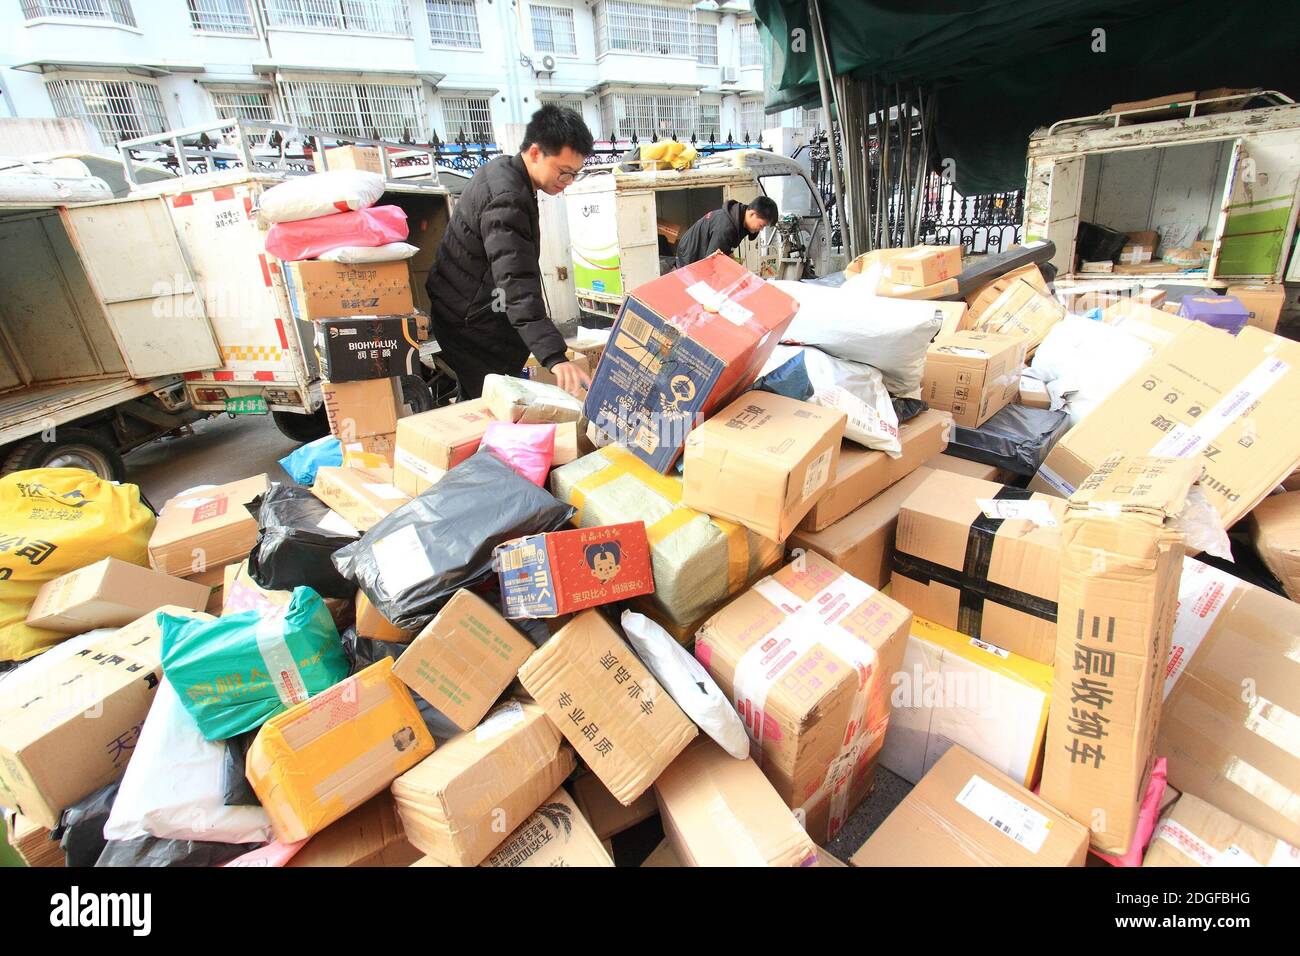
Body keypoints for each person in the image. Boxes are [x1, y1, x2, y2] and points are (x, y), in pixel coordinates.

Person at [425, 105, 594, 400]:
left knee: (484, 405)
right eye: (564, 172)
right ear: (535, 153)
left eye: (574, 175)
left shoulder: (507, 174)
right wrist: (554, 356)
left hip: (463, 310)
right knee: (494, 410)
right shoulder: (508, 198)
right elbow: (515, 282)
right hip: (472, 325)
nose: (567, 183)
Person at [673, 195, 778, 268]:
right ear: (752, 214)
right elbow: (712, 261)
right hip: (690, 254)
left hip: (703, 250)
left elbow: (725, 249)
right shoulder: (726, 227)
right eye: (761, 225)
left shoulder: (741, 221)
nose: (761, 229)